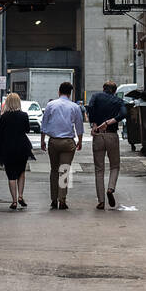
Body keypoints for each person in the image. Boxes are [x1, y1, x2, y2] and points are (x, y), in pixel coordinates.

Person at [40, 82, 84, 211]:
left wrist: (42, 140)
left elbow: (44, 123)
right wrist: (80, 140)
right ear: (70, 93)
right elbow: (79, 125)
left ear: (59, 92)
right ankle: (62, 199)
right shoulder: (74, 106)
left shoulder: (51, 105)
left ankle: (53, 199)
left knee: (54, 170)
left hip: (53, 141)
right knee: (64, 170)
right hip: (67, 142)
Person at [87, 80, 126, 210]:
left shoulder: (96, 97)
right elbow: (124, 113)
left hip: (98, 135)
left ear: (103, 88)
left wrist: (93, 124)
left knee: (99, 169)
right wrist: (110, 122)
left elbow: (90, 107)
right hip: (112, 135)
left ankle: (101, 201)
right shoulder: (118, 101)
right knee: (115, 166)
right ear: (115, 91)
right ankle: (110, 188)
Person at [0, 93, 34, 210]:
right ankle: (21, 196)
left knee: (11, 174)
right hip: (22, 147)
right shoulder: (24, 115)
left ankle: (14, 201)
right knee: (21, 172)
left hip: (8, 148)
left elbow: (0, 134)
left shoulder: (4, 117)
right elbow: (27, 129)